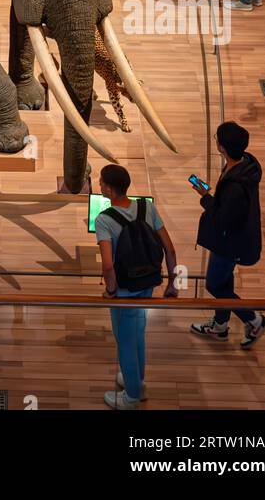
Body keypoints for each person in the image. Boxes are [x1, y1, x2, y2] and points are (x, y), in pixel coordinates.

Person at [96, 162, 178, 409]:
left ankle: (131, 396)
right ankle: (137, 383)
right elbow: (170, 248)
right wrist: (173, 283)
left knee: (126, 341)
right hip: (148, 283)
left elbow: (108, 266)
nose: (99, 184)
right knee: (138, 333)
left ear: (110, 190)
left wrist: (111, 292)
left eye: (101, 182)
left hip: (124, 290)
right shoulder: (147, 206)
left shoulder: (104, 219)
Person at [191, 121, 265, 347]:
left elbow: (223, 218)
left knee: (215, 286)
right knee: (225, 281)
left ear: (223, 148)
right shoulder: (244, 164)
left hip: (231, 244)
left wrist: (206, 197)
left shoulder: (235, 185)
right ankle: (220, 325)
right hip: (234, 240)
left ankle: (254, 320)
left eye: (217, 138)